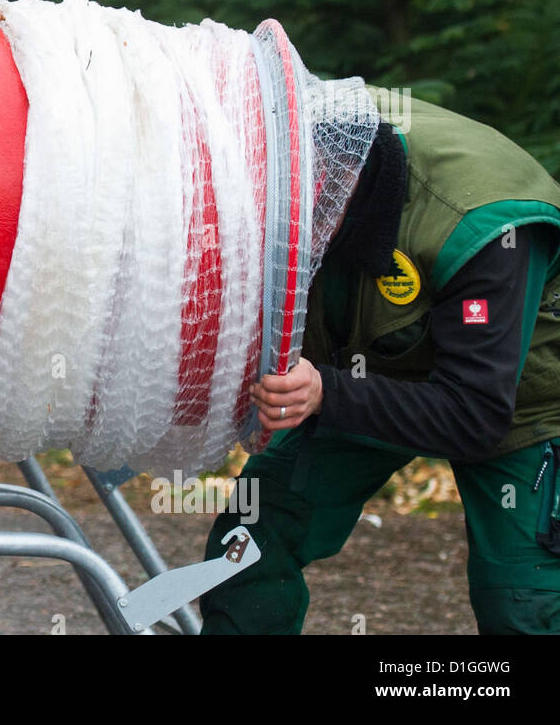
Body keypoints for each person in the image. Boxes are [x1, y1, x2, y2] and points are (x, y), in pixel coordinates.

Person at [200, 95, 560, 634]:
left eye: (306, 201)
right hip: (367, 373)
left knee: (523, 600)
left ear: (347, 178)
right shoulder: (300, 157)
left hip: (518, 394)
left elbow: (476, 417)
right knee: (250, 538)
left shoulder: (485, 227)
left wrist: (325, 394)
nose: (285, 215)